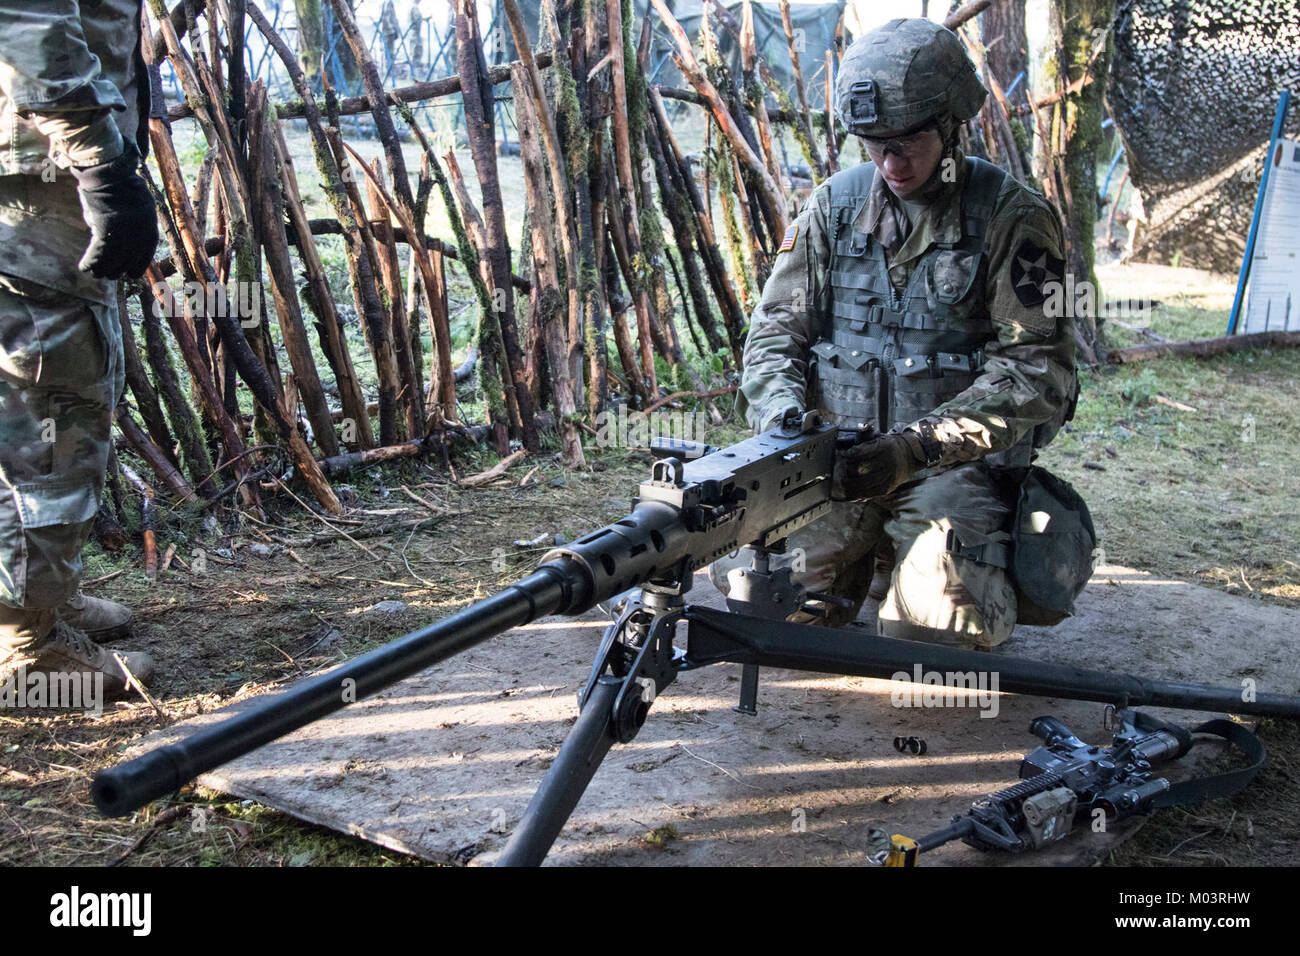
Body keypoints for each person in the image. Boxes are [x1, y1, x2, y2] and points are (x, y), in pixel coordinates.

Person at [710, 17, 1079, 650]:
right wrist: (784, 418)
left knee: (931, 630)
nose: (889, 161)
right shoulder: (833, 206)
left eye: (906, 141)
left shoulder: (1015, 218)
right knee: (764, 606)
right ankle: (871, 560)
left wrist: (915, 447)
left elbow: (1039, 372)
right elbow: (774, 332)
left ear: (949, 126)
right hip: (835, 467)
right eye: (873, 143)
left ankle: (927, 564)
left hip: (950, 468)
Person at [0, 1, 160, 696]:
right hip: (36, 164)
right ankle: (25, 650)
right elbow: (25, 12)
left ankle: (41, 599)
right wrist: (99, 159)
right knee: (50, 395)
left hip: (38, 155)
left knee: (52, 385)